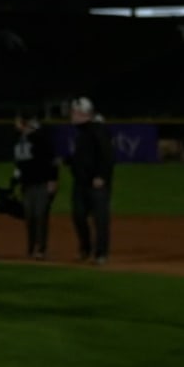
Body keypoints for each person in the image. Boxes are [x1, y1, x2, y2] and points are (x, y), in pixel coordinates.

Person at [67, 96, 114, 264]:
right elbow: (82, 158)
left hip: (96, 183)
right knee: (78, 215)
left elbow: (107, 156)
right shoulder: (81, 133)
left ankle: (101, 254)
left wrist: (101, 176)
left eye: (74, 112)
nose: (72, 115)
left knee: (100, 219)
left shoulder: (98, 130)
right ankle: (85, 249)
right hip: (81, 183)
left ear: (83, 113)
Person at [10, 106, 59, 260]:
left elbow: (52, 160)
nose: (15, 123)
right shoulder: (20, 140)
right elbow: (19, 164)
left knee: (40, 216)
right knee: (30, 217)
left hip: (41, 183)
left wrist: (53, 180)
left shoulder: (41, 138)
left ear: (24, 122)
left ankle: (41, 249)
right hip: (27, 184)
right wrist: (15, 181)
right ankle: (31, 248)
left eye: (18, 121)